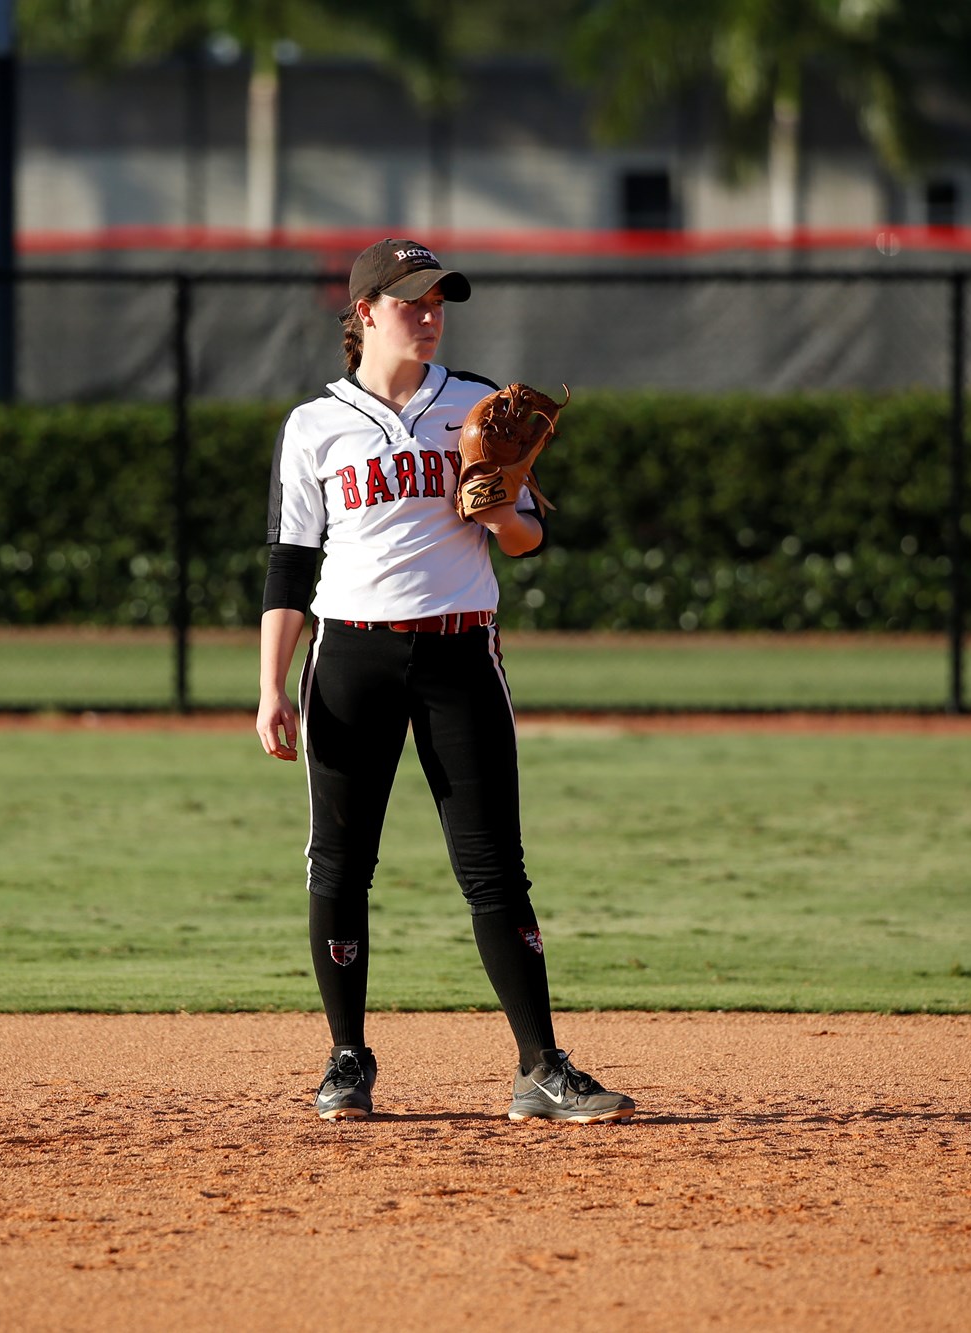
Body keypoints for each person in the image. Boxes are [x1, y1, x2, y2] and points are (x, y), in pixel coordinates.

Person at [255, 237, 634, 1125]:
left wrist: (502, 507)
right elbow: (287, 564)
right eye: (412, 301)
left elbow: (528, 538)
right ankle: (347, 1060)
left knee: (496, 865)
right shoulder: (315, 426)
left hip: (462, 656)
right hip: (348, 658)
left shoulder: (476, 403)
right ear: (365, 313)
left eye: (439, 302)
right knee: (341, 866)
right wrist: (272, 684)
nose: (429, 315)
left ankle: (541, 1067)